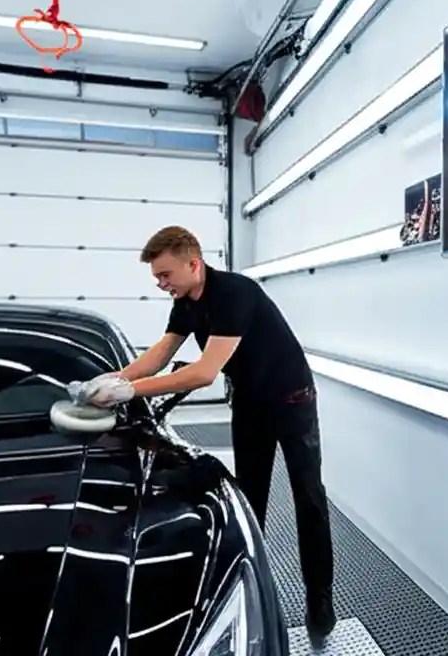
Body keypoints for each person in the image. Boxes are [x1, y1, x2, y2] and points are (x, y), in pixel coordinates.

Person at [77, 226, 337, 642]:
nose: (162, 285)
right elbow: (162, 354)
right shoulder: (185, 301)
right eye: (158, 278)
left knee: (308, 496)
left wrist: (126, 392)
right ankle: (250, 591)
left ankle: (320, 599)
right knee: (250, 496)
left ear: (193, 264)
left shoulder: (235, 293)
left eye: (165, 275)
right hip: (251, 401)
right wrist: (111, 380)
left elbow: (203, 372)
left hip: (292, 399)